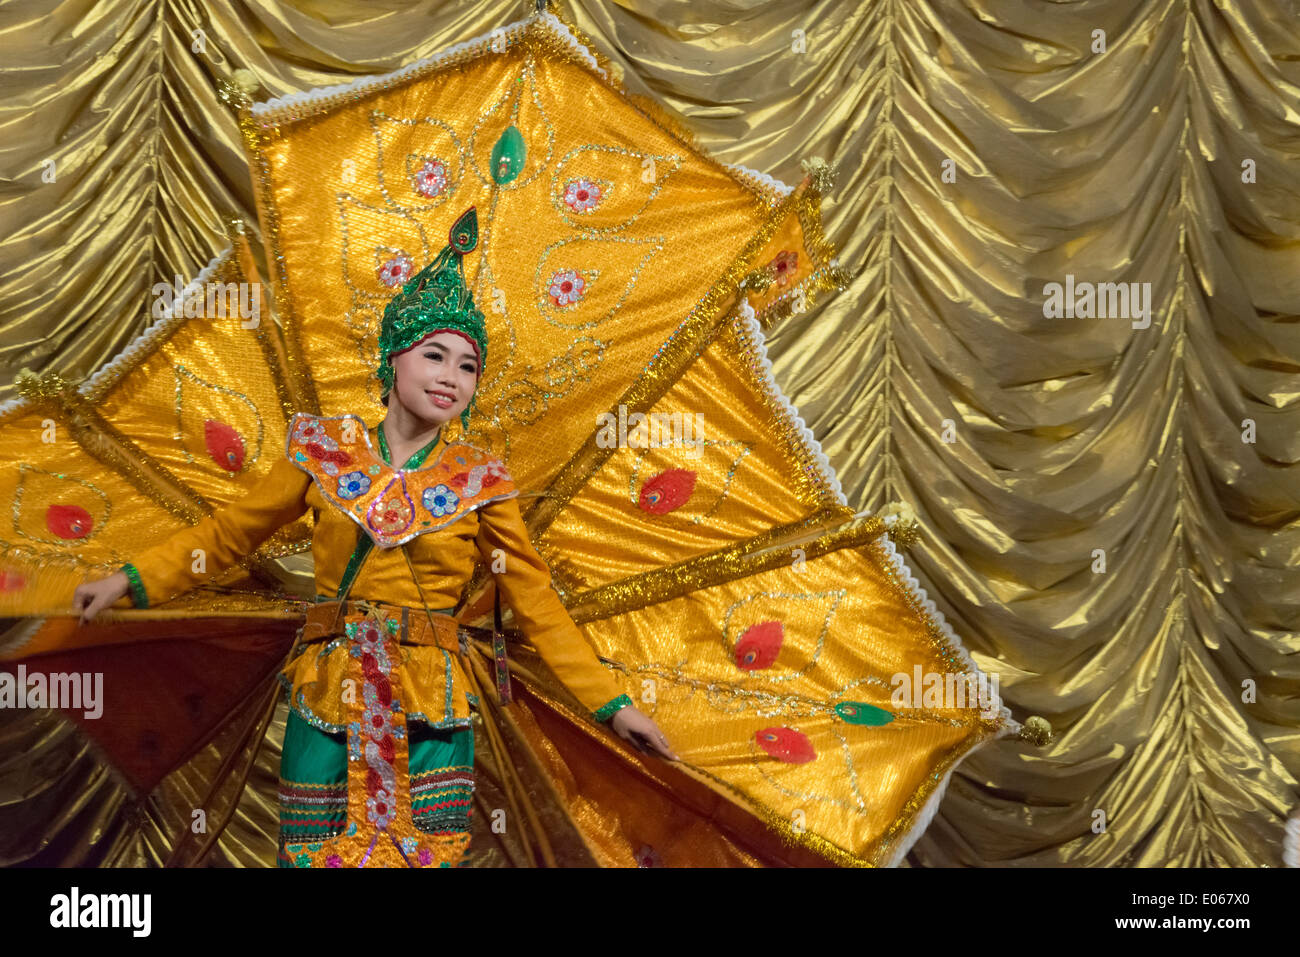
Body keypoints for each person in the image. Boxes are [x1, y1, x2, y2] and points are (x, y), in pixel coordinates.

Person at [71, 205, 676, 868]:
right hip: (329, 688)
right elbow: (225, 536)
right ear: (394, 359)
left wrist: (614, 707)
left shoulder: (481, 480)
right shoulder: (322, 452)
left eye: (468, 366)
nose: (451, 375)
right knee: (314, 859)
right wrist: (127, 580)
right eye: (435, 354)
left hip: (432, 705)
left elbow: (536, 601)